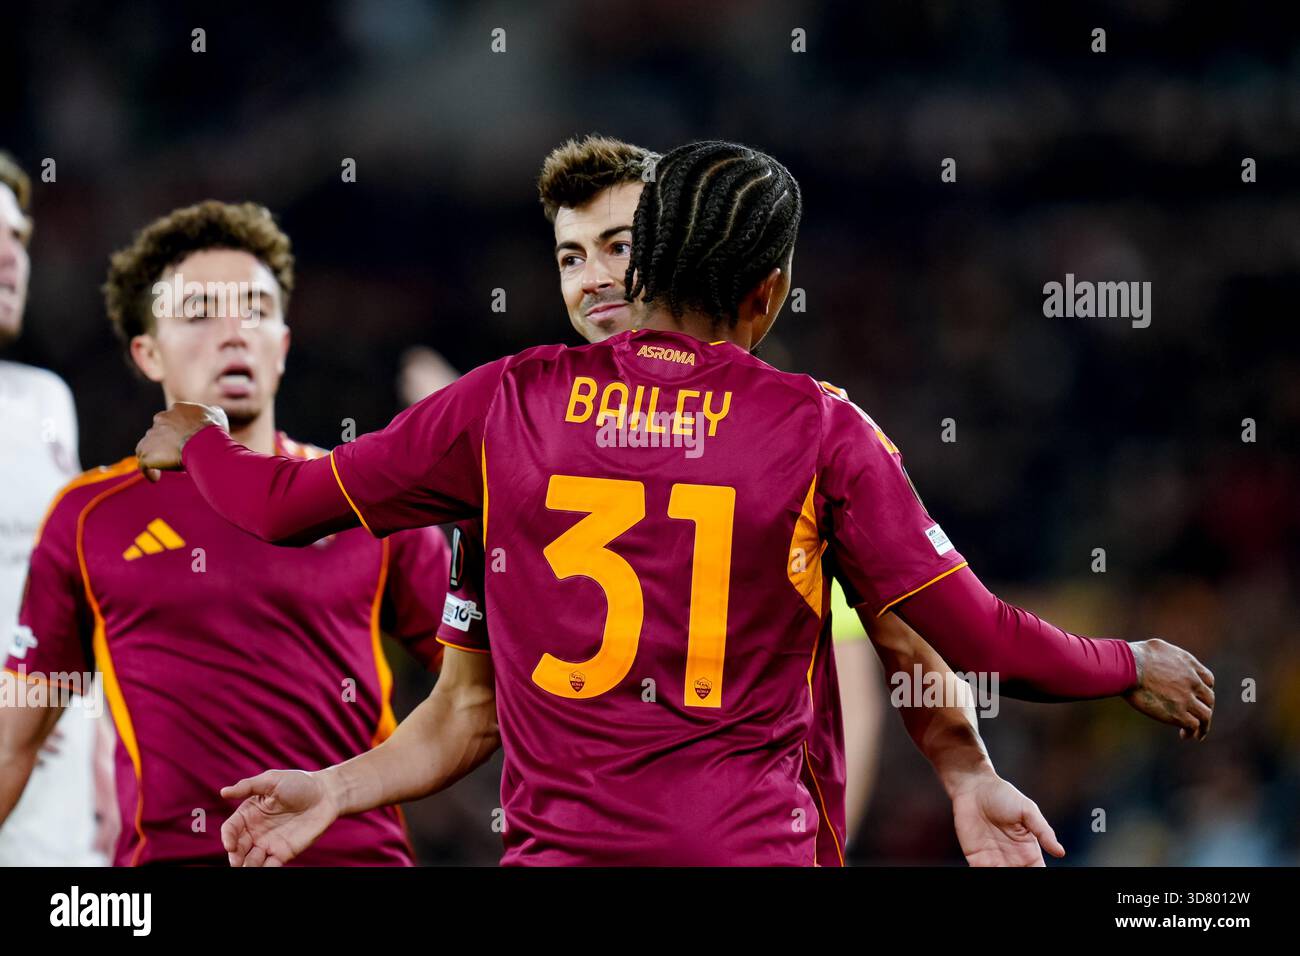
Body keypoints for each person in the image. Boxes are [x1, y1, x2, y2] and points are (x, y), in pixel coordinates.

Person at [139, 142, 1214, 866]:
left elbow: (283, 502)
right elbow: (958, 626)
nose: (592, 277)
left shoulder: (499, 411)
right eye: (567, 255)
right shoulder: (818, 432)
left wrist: (195, 435)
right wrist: (341, 786)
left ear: (648, 254)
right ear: (767, 291)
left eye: (612, 247)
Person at [1, 201, 450, 865]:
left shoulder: (364, 495)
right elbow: (15, 741)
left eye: (256, 309)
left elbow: (485, 696)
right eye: (200, 313)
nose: (235, 332)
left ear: (284, 344)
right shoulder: (88, 516)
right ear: (147, 353)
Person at [0, 150, 108, 866]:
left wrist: (104, 753)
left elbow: (73, 597)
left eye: (19, 239)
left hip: (70, 806)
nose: (12, 260)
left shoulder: (47, 401)